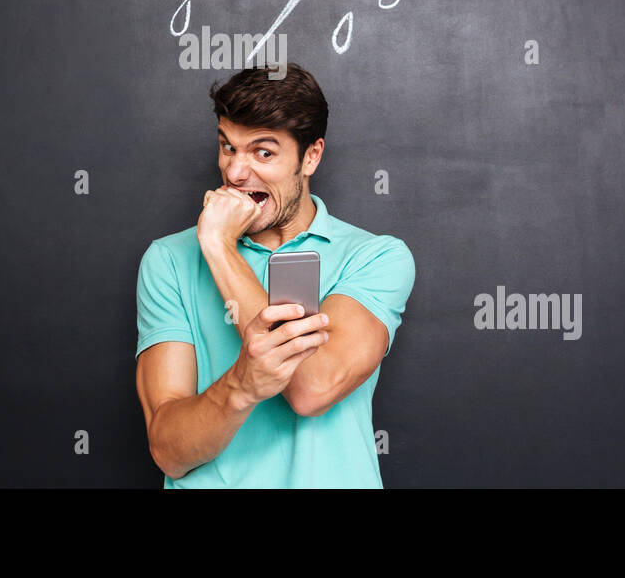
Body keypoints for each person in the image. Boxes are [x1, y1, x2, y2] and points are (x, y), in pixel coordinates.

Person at [134, 62, 416, 487]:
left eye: (263, 152)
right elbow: (169, 453)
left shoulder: (376, 258)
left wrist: (219, 247)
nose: (234, 173)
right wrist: (241, 388)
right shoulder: (168, 260)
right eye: (228, 147)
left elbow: (311, 388)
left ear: (311, 156)